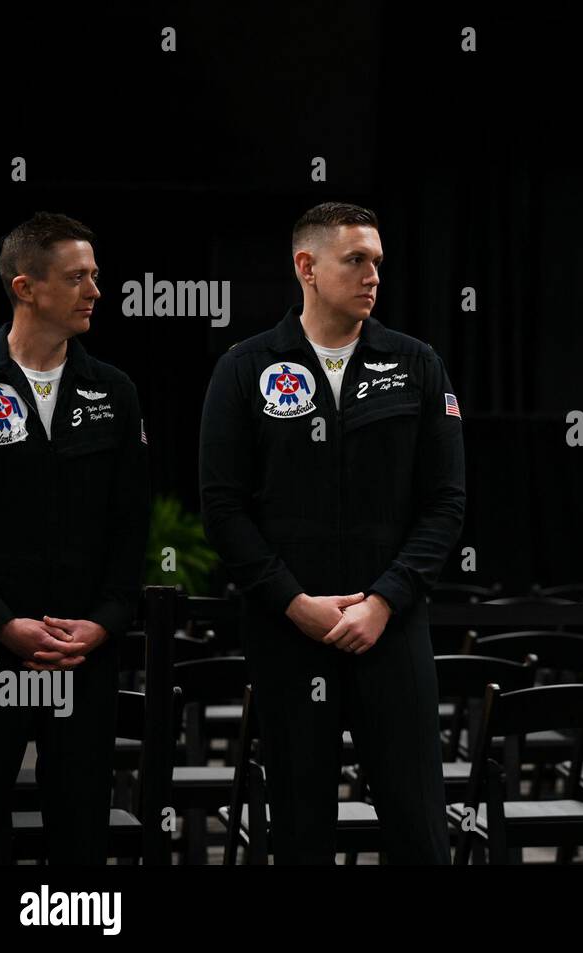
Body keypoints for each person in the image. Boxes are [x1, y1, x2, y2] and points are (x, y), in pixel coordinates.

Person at [200, 201, 464, 863]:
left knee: (420, 831)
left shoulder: (418, 364)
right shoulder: (244, 368)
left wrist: (383, 600)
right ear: (307, 267)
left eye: (377, 260)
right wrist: (294, 602)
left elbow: (446, 505)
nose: (373, 273)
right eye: (356, 259)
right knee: (298, 830)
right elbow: (224, 510)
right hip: (289, 634)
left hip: (392, 631)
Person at [0, 212, 149, 863]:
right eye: (78, 277)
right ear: (26, 286)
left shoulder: (114, 390)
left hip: (85, 656)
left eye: (95, 275)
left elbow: (131, 528)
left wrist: (103, 623)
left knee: (80, 833)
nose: (96, 290)